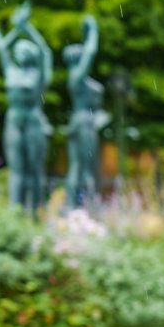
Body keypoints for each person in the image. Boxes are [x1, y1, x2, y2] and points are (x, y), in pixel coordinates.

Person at [0, 2, 52, 215]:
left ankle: (35, 213)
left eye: (23, 50)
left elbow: (44, 50)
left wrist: (25, 27)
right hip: (14, 120)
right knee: (17, 170)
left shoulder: (38, 76)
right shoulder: (10, 71)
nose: (19, 53)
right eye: (18, 50)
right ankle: (15, 214)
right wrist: (2, 29)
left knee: (34, 169)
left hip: (33, 120)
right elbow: (2, 48)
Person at [64, 15, 107, 208]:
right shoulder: (77, 76)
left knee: (78, 166)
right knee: (87, 167)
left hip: (78, 122)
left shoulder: (76, 77)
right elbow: (91, 51)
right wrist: (93, 31)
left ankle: (74, 205)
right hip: (84, 122)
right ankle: (87, 206)